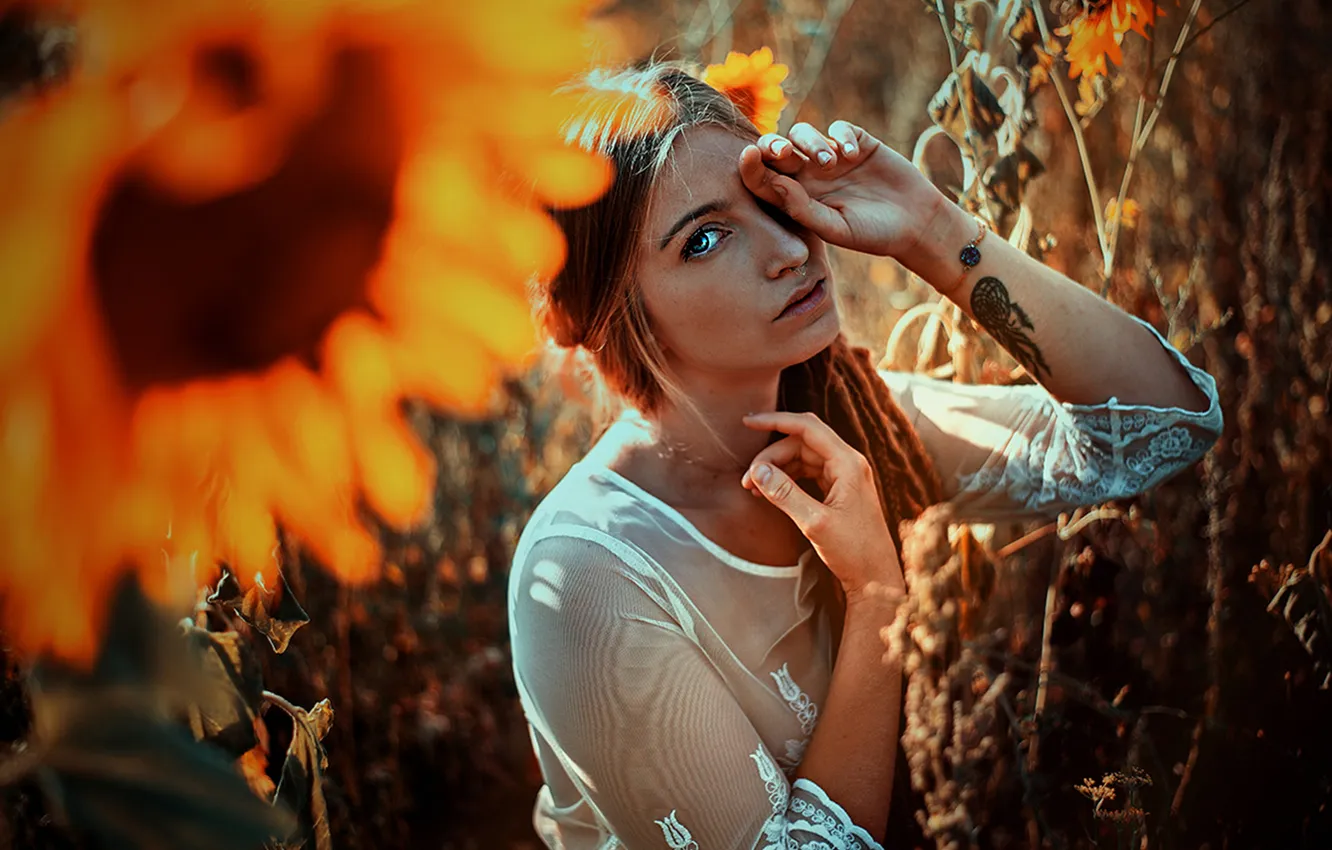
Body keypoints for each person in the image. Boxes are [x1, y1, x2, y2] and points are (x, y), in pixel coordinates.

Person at [506, 62, 1222, 850]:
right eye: (705, 239)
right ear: (608, 307)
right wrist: (876, 594)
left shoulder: (850, 417)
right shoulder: (583, 576)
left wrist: (930, 228)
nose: (790, 248)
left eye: (773, 199)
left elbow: (1165, 422)